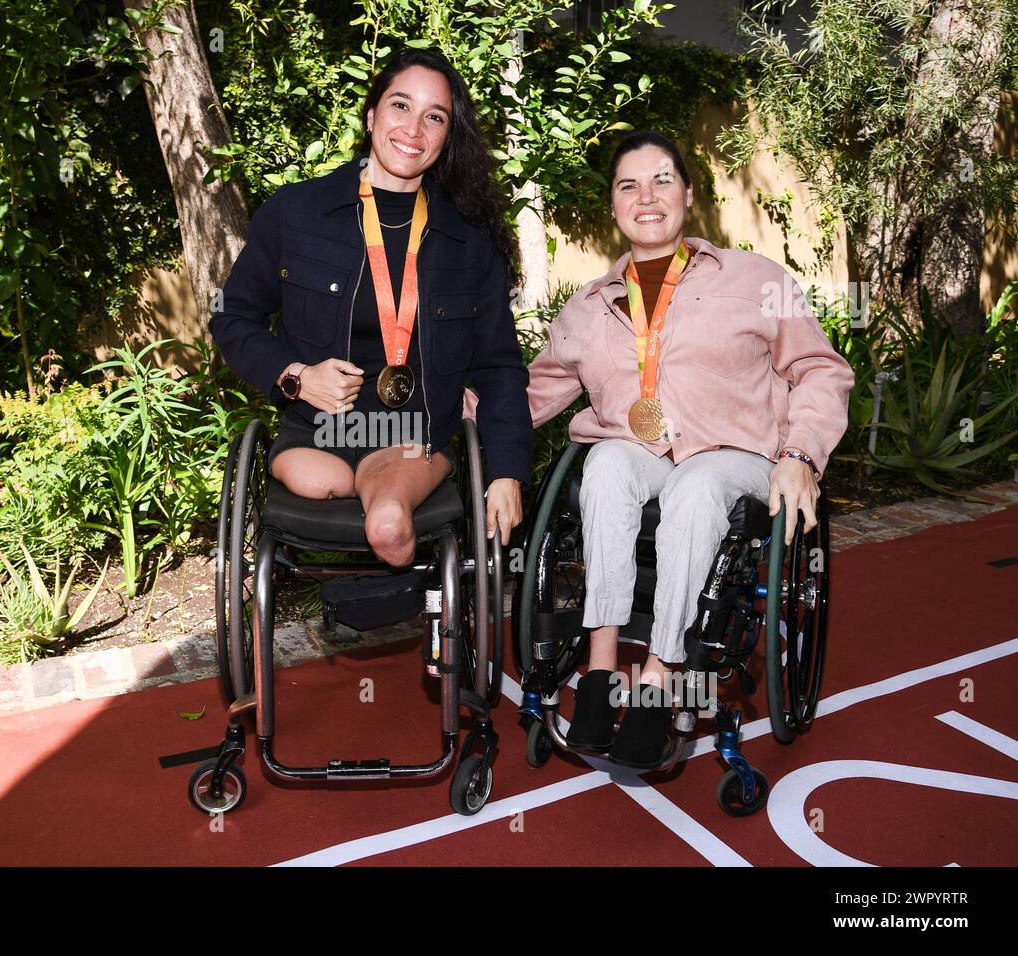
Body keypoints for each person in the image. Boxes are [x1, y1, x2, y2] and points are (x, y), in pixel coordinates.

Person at [523, 130, 854, 764]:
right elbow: (529, 396)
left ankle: (659, 677)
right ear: (614, 207)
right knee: (606, 463)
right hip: (641, 450)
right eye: (628, 186)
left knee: (697, 484)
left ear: (689, 194)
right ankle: (598, 671)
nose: (645, 197)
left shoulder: (756, 277)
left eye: (661, 181)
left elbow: (822, 368)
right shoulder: (589, 309)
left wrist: (802, 454)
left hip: (740, 454)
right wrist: (438, 401)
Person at [209, 49, 532, 567]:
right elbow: (231, 317)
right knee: (319, 479)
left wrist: (506, 471)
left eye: (435, 116)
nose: (414, 128)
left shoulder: (468, 241)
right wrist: (294, 375)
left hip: (411, 437)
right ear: (371, 116)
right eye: (400, 106)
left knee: (385, 524)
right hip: (314, 431)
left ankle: (412, 603)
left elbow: (499, 367)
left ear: (448, 135)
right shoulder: (296, 213)